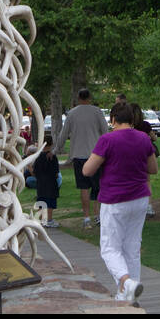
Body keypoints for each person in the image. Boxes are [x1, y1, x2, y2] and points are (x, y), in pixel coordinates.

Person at [82, 102, 158, 303]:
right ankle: (127, 296)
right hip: (140, 198)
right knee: (132, 247)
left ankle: (126, 283)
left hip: (115, 200)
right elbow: (153, 168)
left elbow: (87, 170)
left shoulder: (107, 140)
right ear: (132, 120)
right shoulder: (143, 138)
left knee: (110, 248)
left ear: (113, 120)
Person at [56, 88, 109, 227]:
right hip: (96, 154)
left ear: (78, 98)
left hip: (79, 155)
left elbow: (63, 133)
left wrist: (56, 149)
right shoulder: (97, 112)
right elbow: (105, 131)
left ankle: (86, 217)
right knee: (98, 186)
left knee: (84, 187)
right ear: (90, 97)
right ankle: (98, 215)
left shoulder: (72, 114)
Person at [130, 102, 158, 218]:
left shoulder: (129, 127)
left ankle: (134, 206)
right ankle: (149, 206)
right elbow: (154, 138)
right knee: (146, 181)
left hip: (132, 156)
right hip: (145, 155)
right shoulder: (145, 125)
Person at [32, 136, 61, 228]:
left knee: (41, 200)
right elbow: (56, 172)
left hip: (40, 182)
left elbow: (34, 171)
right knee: (50, 202)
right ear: (52, 144)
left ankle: (39, 219)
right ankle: (49, 220)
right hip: (51, 182)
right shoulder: (53, 157)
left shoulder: (38, 157)